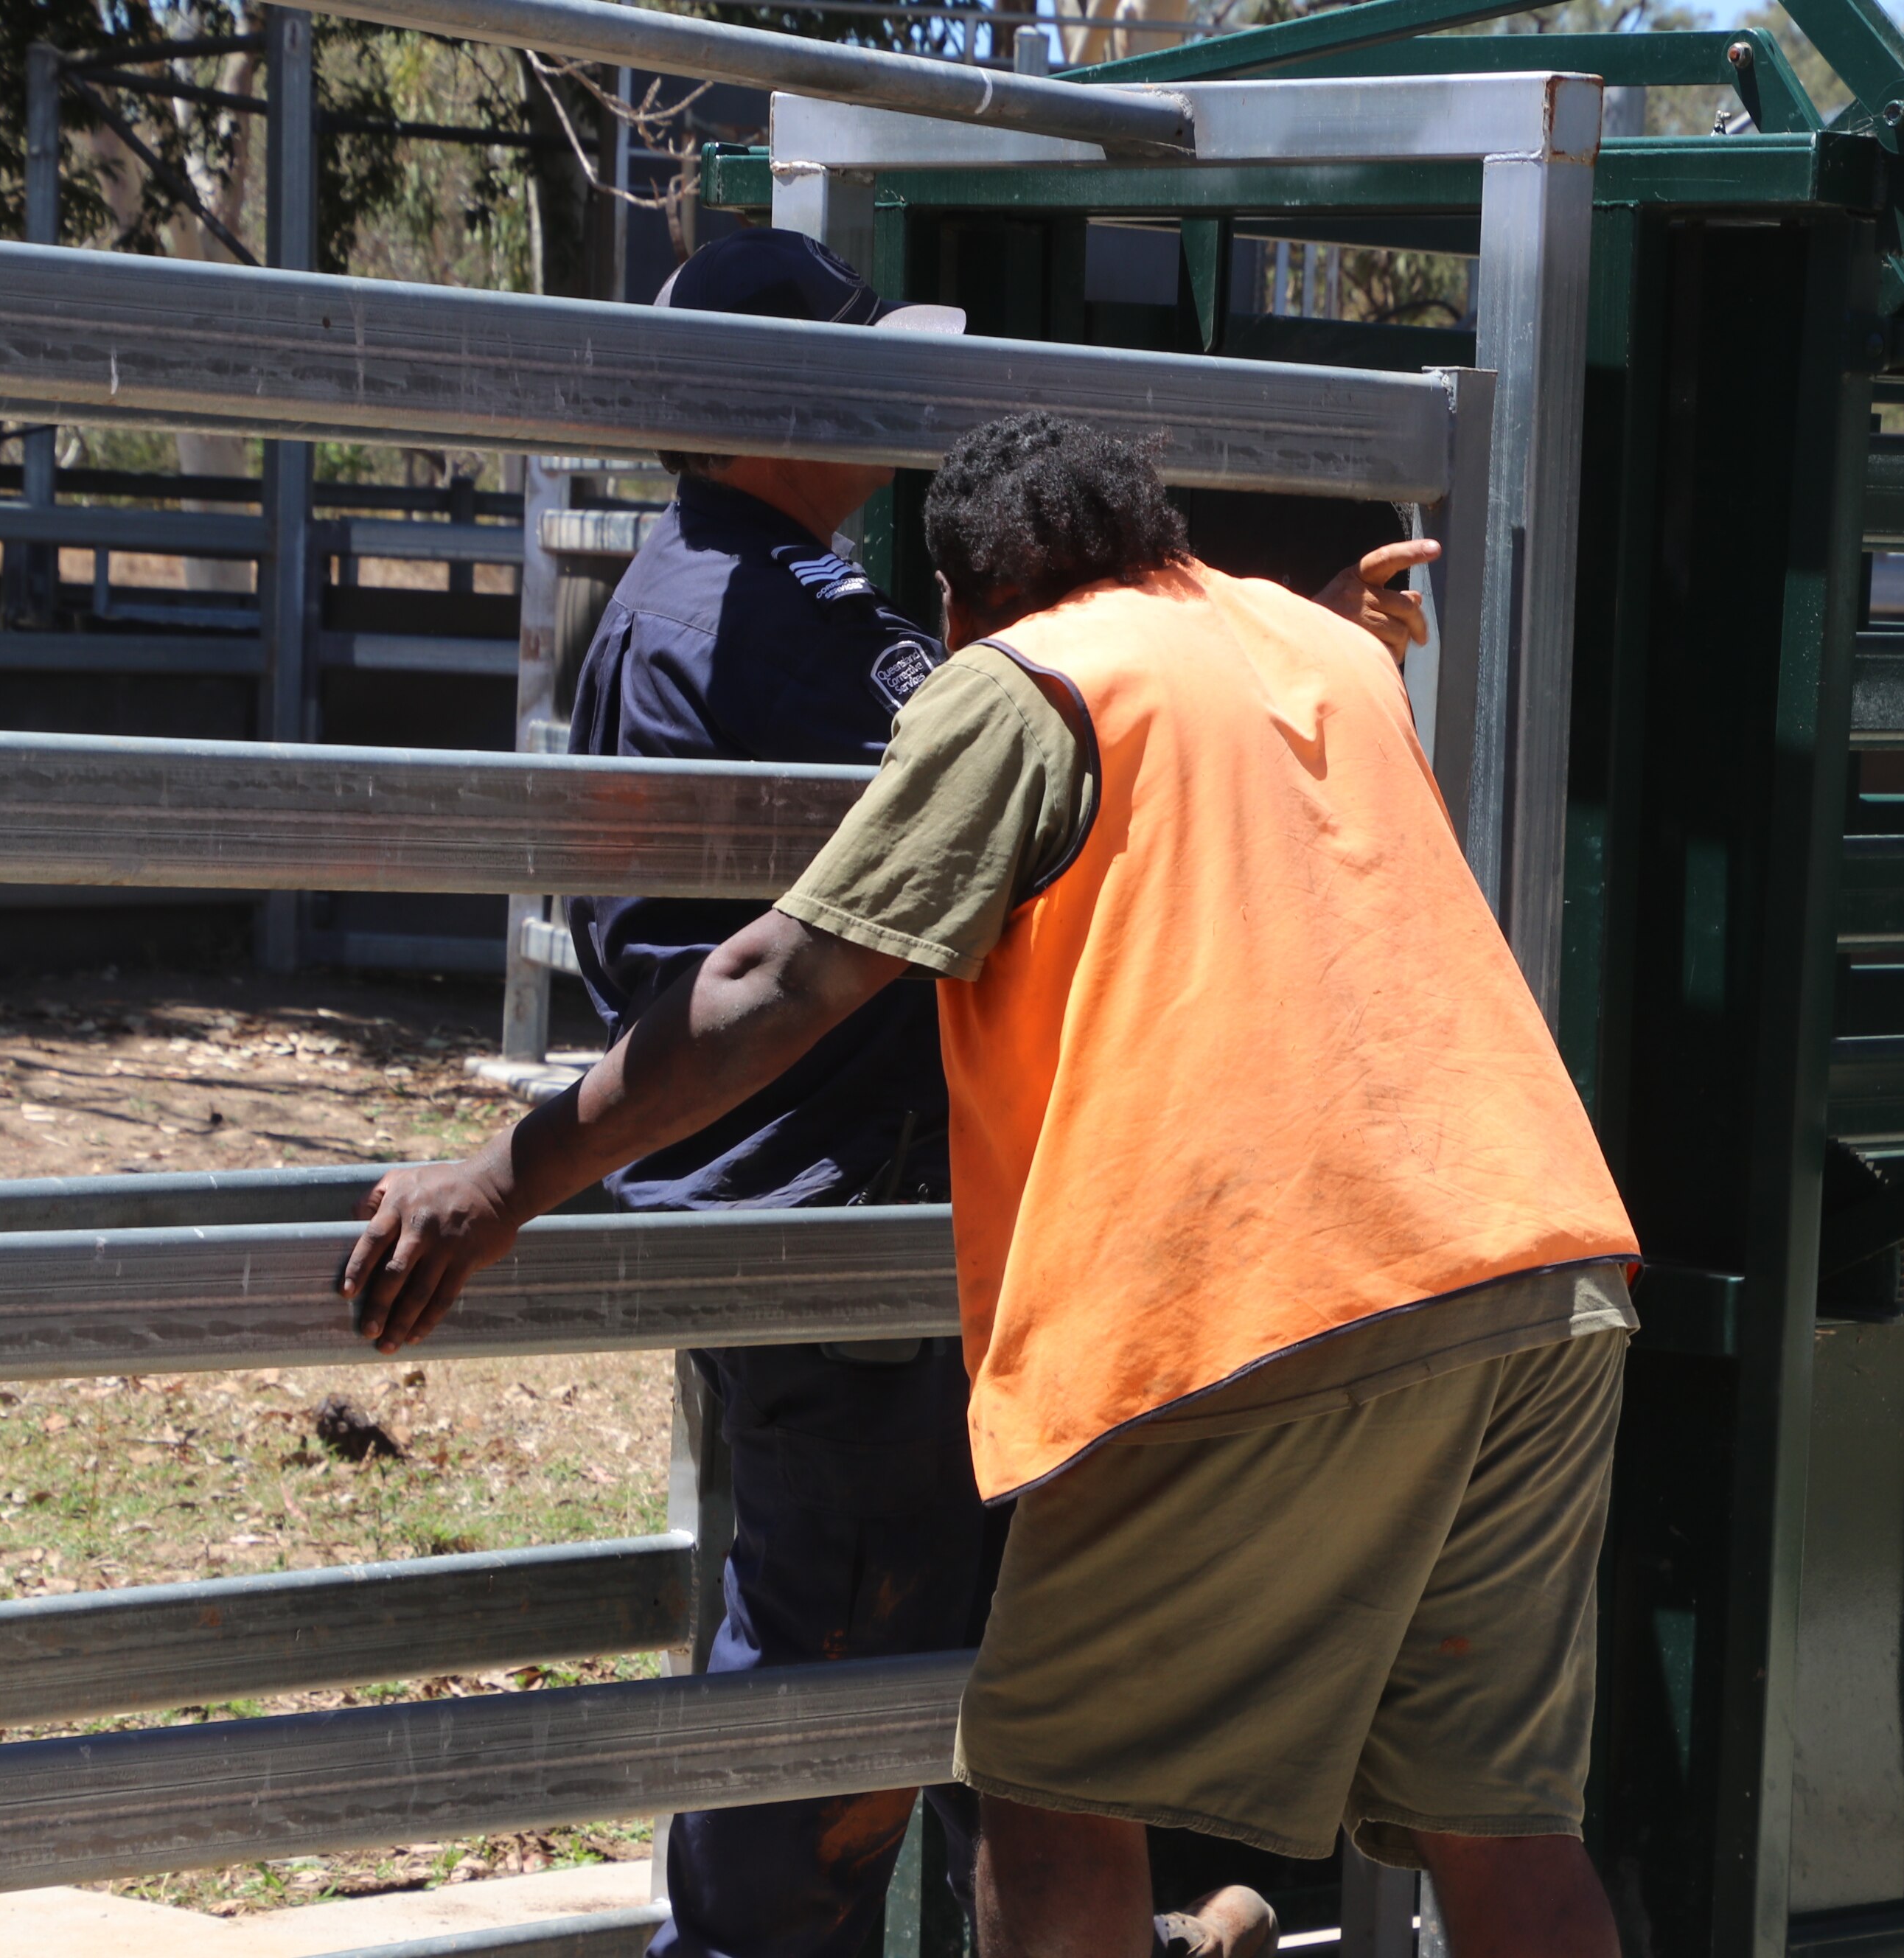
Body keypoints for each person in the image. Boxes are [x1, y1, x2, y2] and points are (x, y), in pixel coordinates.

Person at [349, 408, 1639, 1958]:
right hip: (1538, 1266)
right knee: (1501, 1823)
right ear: (1149, 539)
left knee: (1048, 1788)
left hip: (1272, 1289)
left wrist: (504, 1174)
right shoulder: (1329, 646)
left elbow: (772, 980)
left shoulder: (1023, 683)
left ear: (959, 607)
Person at [558, 230, 1438, 1958]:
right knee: (851, 1664)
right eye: (867, 371)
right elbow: (1056, 778)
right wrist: (1292, 670)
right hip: (851, 1215)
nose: (899, 405)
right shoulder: (799, 621)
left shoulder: (670, 596)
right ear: (787, 400)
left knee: (924, 1649)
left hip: (773, 1199)